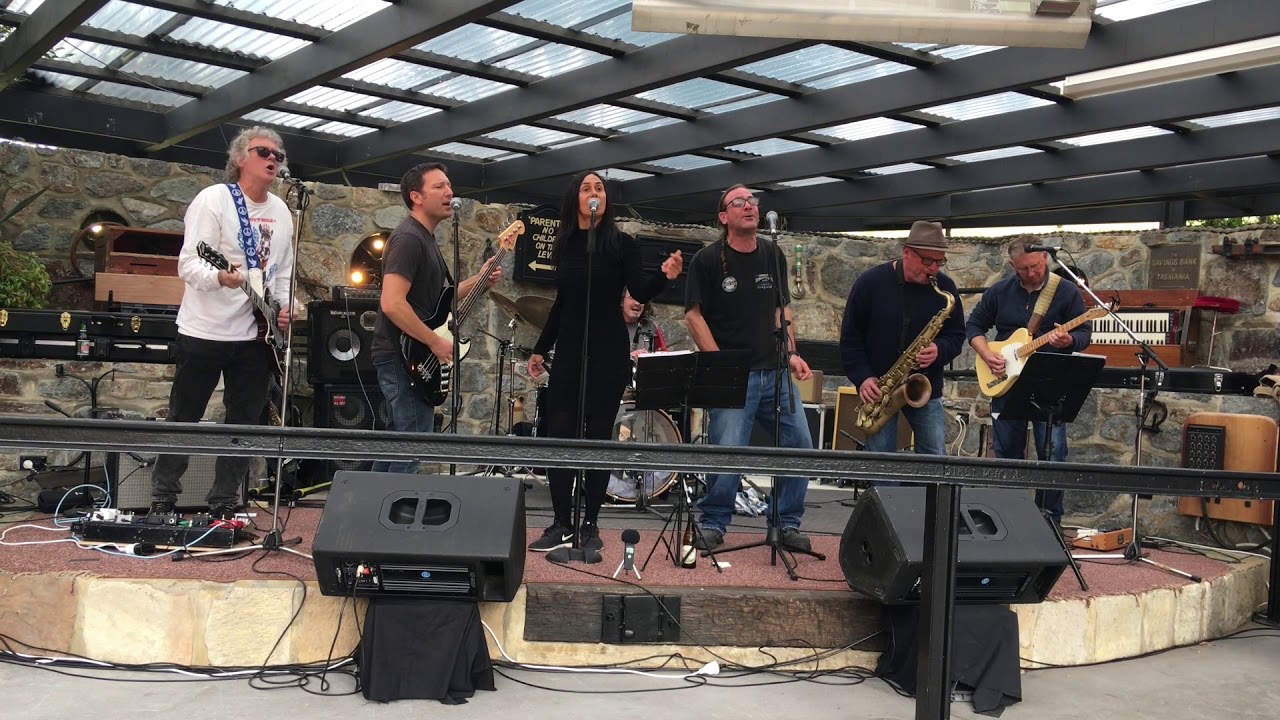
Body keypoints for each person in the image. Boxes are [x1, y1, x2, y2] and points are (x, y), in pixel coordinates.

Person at [526, 170, 683, 553]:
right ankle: (561, 521)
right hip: (571, 351)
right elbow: (562, 303)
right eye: (586, 187)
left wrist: (664, 276)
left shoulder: (621, 243)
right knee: (560, 438)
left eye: (599, 188)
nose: (594, 193)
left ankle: (590, 523)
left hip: (608, 351)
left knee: (598, 439)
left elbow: (640, 290)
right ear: (575, 199)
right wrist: (540, 348)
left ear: (605, 200)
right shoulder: (564, 244)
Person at [149, 127, 295, 518]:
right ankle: (163, 498)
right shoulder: (214, 200)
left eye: (278, 155)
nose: (273, 160)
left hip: (256, 335)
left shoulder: (282, 212)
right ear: (239, 159)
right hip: (204, 330)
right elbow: (190, 263)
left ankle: (224, 501)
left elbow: (283, 273)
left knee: (245, 422)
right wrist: (220, 277)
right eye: (263, 152)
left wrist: (286, 306)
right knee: (185, 416)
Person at [684, 184, 816, 553]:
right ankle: (713, 522)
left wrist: (791, 354)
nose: (750, 206)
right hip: (732, 373)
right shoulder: (708, 260)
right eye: (738, 202)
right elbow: (693, 316)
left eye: (753, 200)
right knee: (728, 450)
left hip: (774, 371)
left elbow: (781, 311)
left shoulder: (773, 254)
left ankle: (787, 522)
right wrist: (719, 363)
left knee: (800, 445)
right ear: (724, 217)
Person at [370, 162, 500, 474]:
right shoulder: (408, 240)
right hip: (403, 355)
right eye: (439, 186)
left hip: (409, 355)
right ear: (416, 196)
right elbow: (391, 303)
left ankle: (363, 513)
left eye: (449, 185)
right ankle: (390, 519)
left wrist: (478, 281)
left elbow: (438, 302)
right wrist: (435, 343)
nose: (449, 192)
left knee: (401, 443)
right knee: (413, 445)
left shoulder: (425, 239)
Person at [966, 237, 1093, 528]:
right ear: (1013, 266)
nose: (1033, 272)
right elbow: (974, 325)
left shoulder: (1066, 291)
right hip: (1005, 380)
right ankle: (1008, 521)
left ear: (1046, 259)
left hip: (1050, 379)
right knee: (1007, 451)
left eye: (1037, 266)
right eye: (1024, 268)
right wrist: (986, 354)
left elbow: (1085, 334)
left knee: (1053, 453)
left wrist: (1068, 340)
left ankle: (1049, 523)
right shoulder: (999, 292)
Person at [839, 221, 966, 458]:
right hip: (879, 391)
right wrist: (863, 378)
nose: (934, 269)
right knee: (883, 464)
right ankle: (885, 496)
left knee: (934, 459)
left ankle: (930, 496)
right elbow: (850, 337)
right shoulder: (870, 283)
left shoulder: (945, 288)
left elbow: (957, 335)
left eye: (939, 261)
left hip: (924, 386)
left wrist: (939, 349)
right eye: (928, 260)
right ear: (907, 252)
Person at [622, 289, 668, 358]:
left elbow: (664, 355)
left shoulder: (651, 325)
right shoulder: (607, 327)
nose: (637, 303)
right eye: (632, 298)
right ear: (621, 301)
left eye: (641, 298)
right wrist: (630, 358)